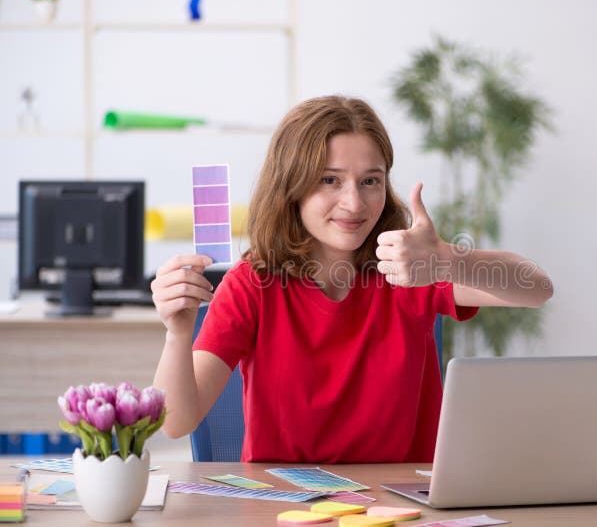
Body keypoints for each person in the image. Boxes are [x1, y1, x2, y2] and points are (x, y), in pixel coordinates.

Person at [152, 95, 553, 463]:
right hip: (288, 509)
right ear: (291, 186)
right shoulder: (252, 283)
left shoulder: (409, 267)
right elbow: (175, 423)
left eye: (370, 180)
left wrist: (447, 258)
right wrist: (177, 334)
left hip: (401, 507)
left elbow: (537, 288)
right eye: (330, 180)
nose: (355, 203)